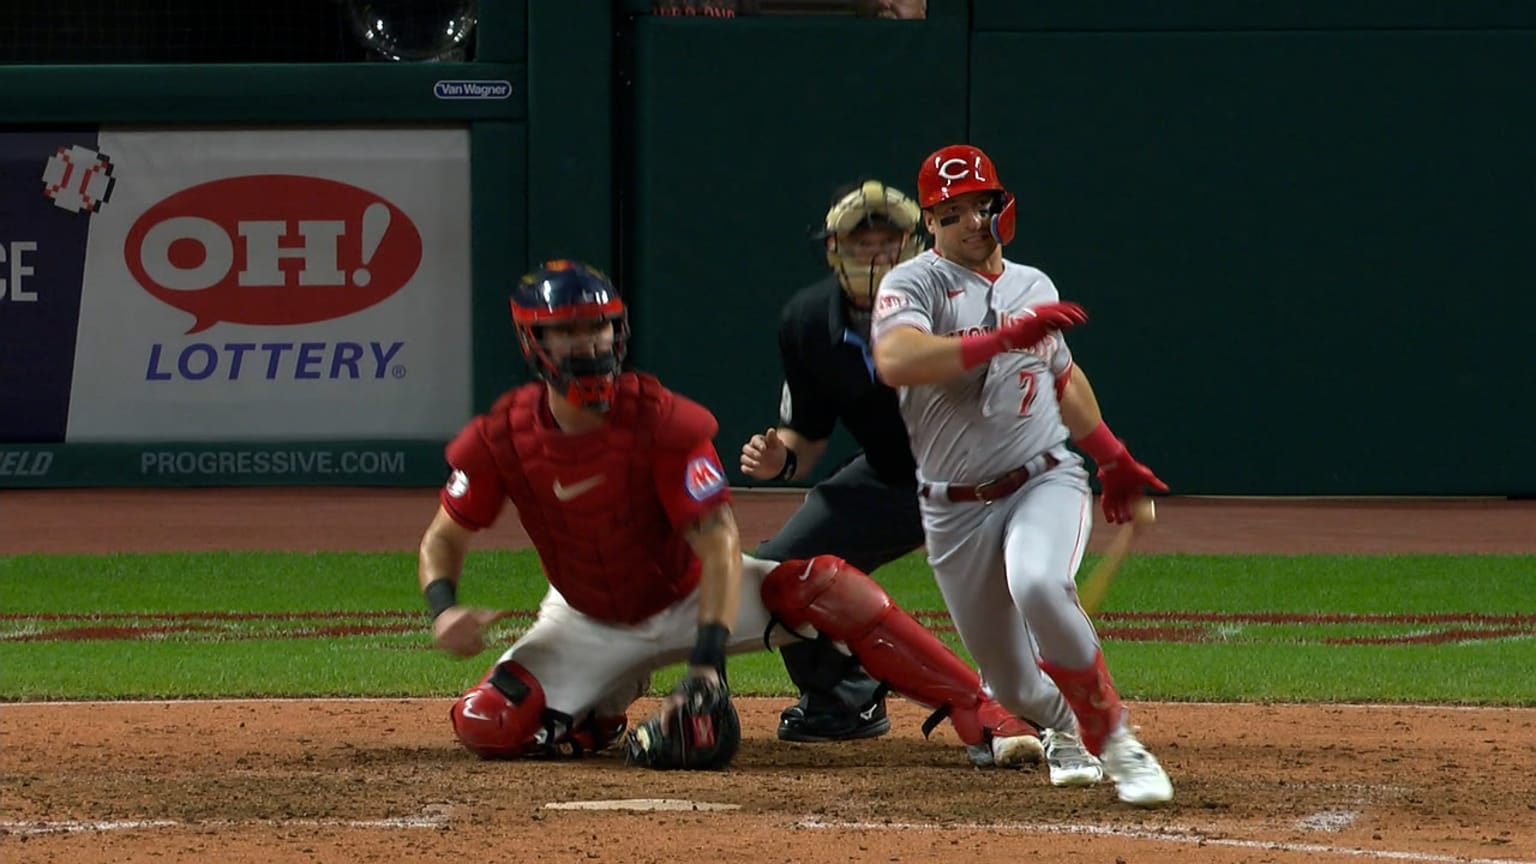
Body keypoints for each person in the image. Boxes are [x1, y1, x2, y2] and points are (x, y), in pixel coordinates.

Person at [416, 258, 1042, 769]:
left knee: (820, 581)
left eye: (600, 327)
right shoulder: (501, 437)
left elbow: (717, 543)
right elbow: (442, 539)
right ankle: (593, 722)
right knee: (486, 724)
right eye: (571, 331)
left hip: (695, 597)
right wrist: (445, 608)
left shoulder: (664, 420)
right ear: (535, 341)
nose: (591, 343)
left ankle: (982, 711)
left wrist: (707, 659)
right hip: (585, 619)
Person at [741, 179, 1104, 782]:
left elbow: (1059, 374)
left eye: (890, 241)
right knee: (781, 569)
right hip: (889, 479)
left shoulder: (967, 300)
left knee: (1021, 585)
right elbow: (806, 441)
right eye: (862, 244)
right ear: (833, 251)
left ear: (917, 244)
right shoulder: (808, 322)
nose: (877, 255)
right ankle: (844, 699)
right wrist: (778, 456)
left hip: (988, 480)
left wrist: (1106, 455)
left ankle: (1041, 710)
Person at [868, 145, 1176, 806]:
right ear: (930, 223)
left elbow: (1062, 376)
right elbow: (898, 359)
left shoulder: (1033, 285)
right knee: (1009, 685)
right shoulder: (911, 284)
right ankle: (1067, 726)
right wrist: (1001, 338)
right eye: (952, 214)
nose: (973, 222)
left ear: (1002, 206)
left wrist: (1112, 458)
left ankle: (1118, 741)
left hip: (1042, 478)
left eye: (982, 205)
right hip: (953, 509)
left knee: (1038, 581)